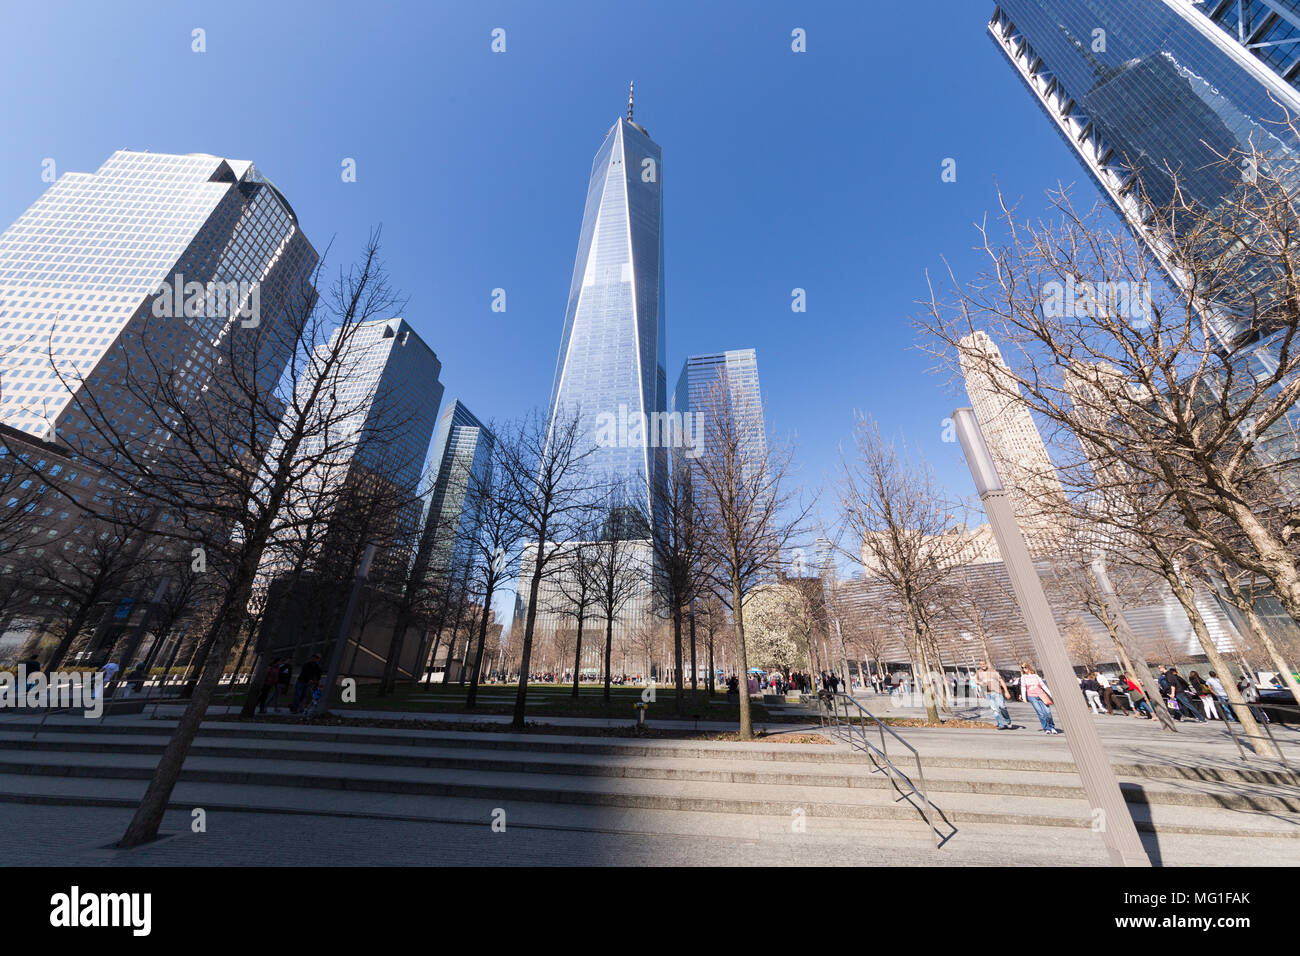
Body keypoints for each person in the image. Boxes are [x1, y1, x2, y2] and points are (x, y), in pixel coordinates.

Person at [1019, 664, 1061, 734]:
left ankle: (1052, 727)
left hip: (1042, 695)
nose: (1024, 669)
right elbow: (1023, 687)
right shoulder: (1023, 677)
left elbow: (1043, 686)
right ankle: (1046, 728)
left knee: (1048, 712)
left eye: (1025, 667)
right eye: (1022, 668)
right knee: (1041, 713)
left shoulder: (1036, 676)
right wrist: (1024, 698)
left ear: (1029, 667)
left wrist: (1051, 695)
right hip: (1032, 697)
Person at [976, 661, 1014, 730]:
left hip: (997, 692)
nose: (983, 665)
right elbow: (976, 681)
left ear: (986, 664)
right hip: (988, 694)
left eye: (984, 664)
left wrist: (1006, 691)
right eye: (981, 664)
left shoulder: (993, 671)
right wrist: (980, 683)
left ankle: (1008, 721)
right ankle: (1001, 725)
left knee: (1002, 707)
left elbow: (1001, 681)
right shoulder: (978, 672)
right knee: (995, 710)